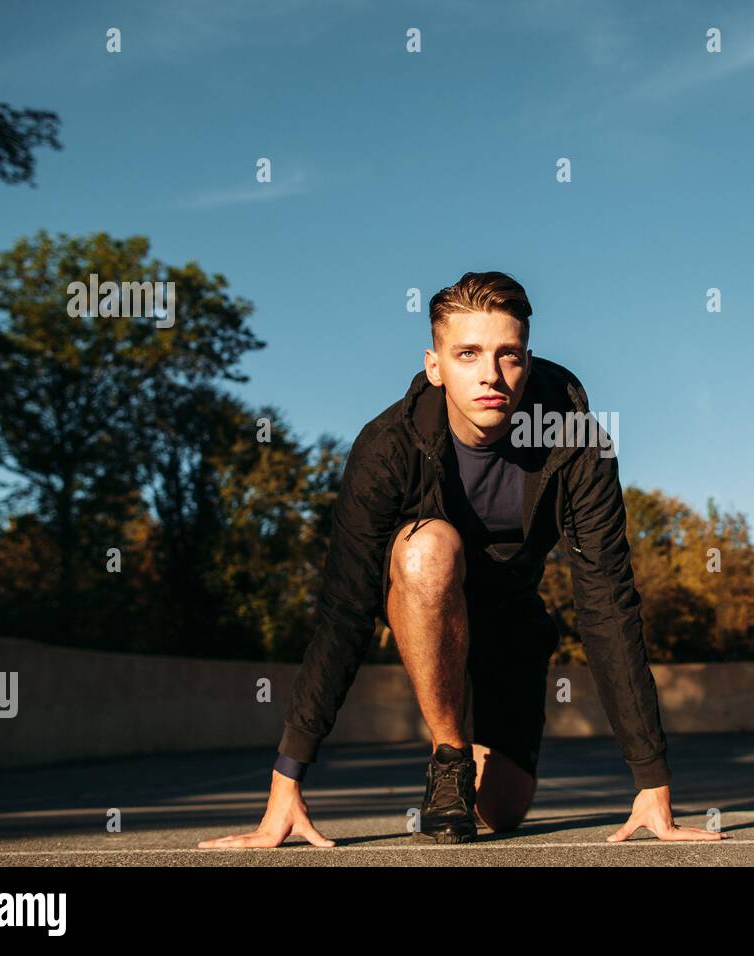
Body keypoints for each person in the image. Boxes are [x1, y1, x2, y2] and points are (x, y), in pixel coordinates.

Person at [198, 271, 723, 847]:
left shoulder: (576, 440)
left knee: (503, 812)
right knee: (428, 549)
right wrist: (287, 782)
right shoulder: (386, 447)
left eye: (508, 355)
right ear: (434, 363)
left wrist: (651, 783)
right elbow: (344, 608)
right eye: (467, 354)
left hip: (512, 624)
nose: (490, 376)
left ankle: (473, 739)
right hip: (426, 602)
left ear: (528, 358)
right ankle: (448, 756)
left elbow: (608, 603)